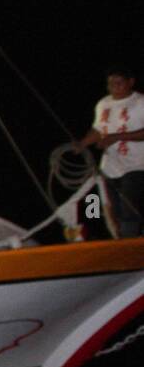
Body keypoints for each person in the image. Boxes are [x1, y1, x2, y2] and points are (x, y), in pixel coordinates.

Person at [74, 65, 144, 238]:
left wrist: (116, 137)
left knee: (129, 206)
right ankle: (119, 242)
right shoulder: (103, 103)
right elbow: (98, 130)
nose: (114, 88)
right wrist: (83, 143)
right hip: (109, 166)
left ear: (131, 82)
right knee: (110, 208)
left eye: (119, 83)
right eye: (111, 84)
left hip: (136, 164)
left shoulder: (140, 102)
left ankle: (129, 246)